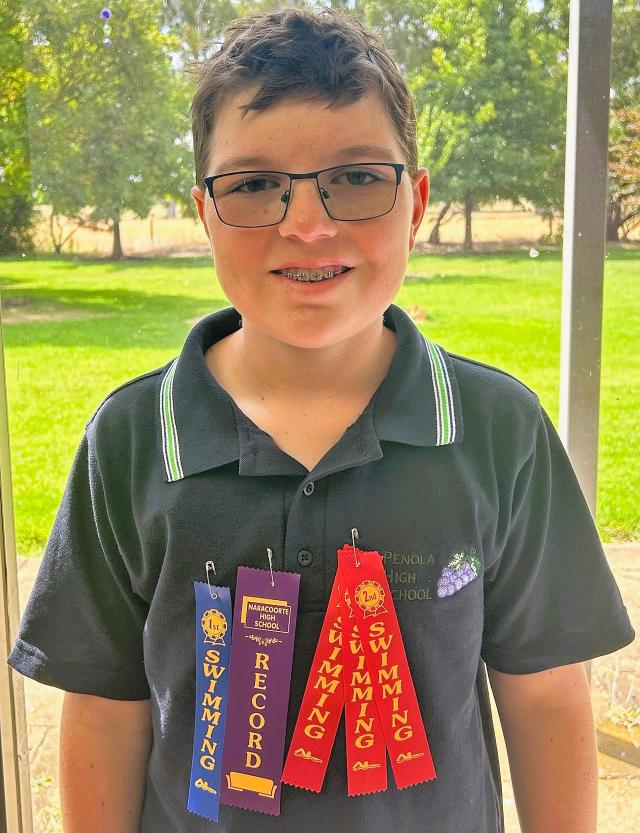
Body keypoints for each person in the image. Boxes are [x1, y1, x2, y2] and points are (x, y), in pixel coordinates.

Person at [6, 6, 635, 833]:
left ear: (415, 203)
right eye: (255, 184)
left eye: (357, 176)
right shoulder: (128, 440)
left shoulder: (498, 431)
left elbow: (547, 694)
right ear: (204, 212)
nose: (307, 223)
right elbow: (103, 710)